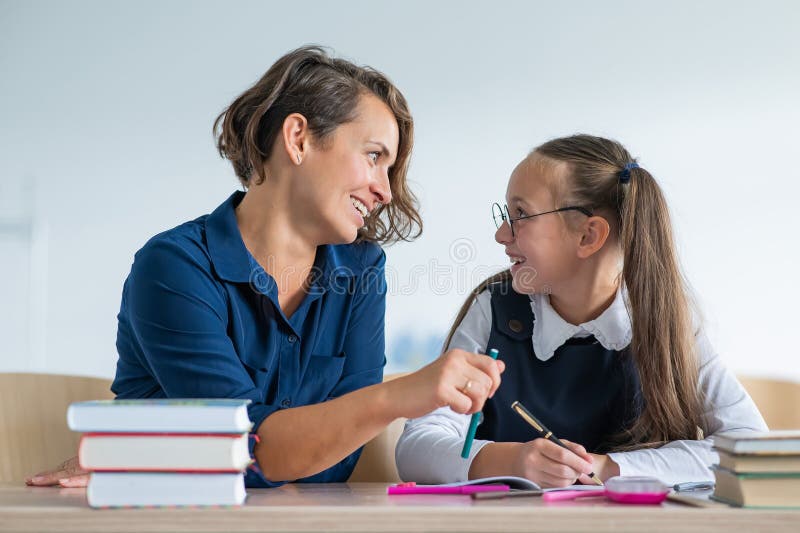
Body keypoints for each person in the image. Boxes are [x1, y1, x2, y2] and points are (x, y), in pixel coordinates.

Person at [26, 45, 503, 489]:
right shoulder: (174, 268)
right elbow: (248, 451)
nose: (385, 191)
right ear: (298, 138)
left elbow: (336, 459)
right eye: (374, 156)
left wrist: (167, 454)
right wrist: (397, 398)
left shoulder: (361, 270)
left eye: (389, 168)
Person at [395, 134, 767, 488]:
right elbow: (417, 446)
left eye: (521, 214)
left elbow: (750, 448)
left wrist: (608, 468)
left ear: (588, 236)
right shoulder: (493, 310)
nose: (501, 235)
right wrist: (511, 461)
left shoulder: (666, 320)